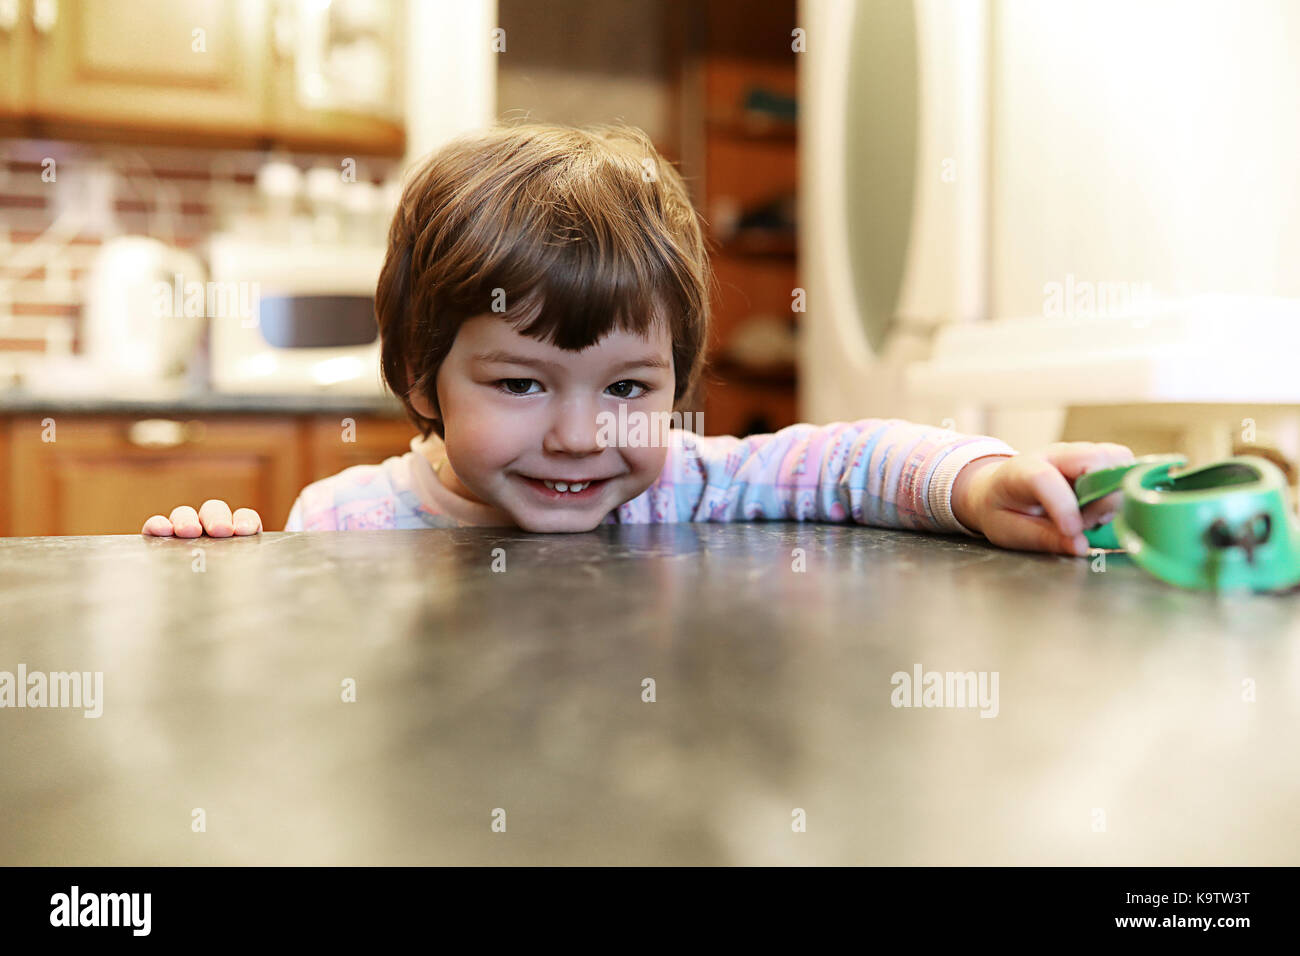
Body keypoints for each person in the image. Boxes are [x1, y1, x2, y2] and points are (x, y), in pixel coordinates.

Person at [143, 123, 1130, 556]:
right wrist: (216, 569)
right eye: (523, 384)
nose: (583, 436)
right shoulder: (343, 522)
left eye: (626, 389)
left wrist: (979, 481)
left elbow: (844, 460)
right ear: (420, 374)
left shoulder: (680, 483)